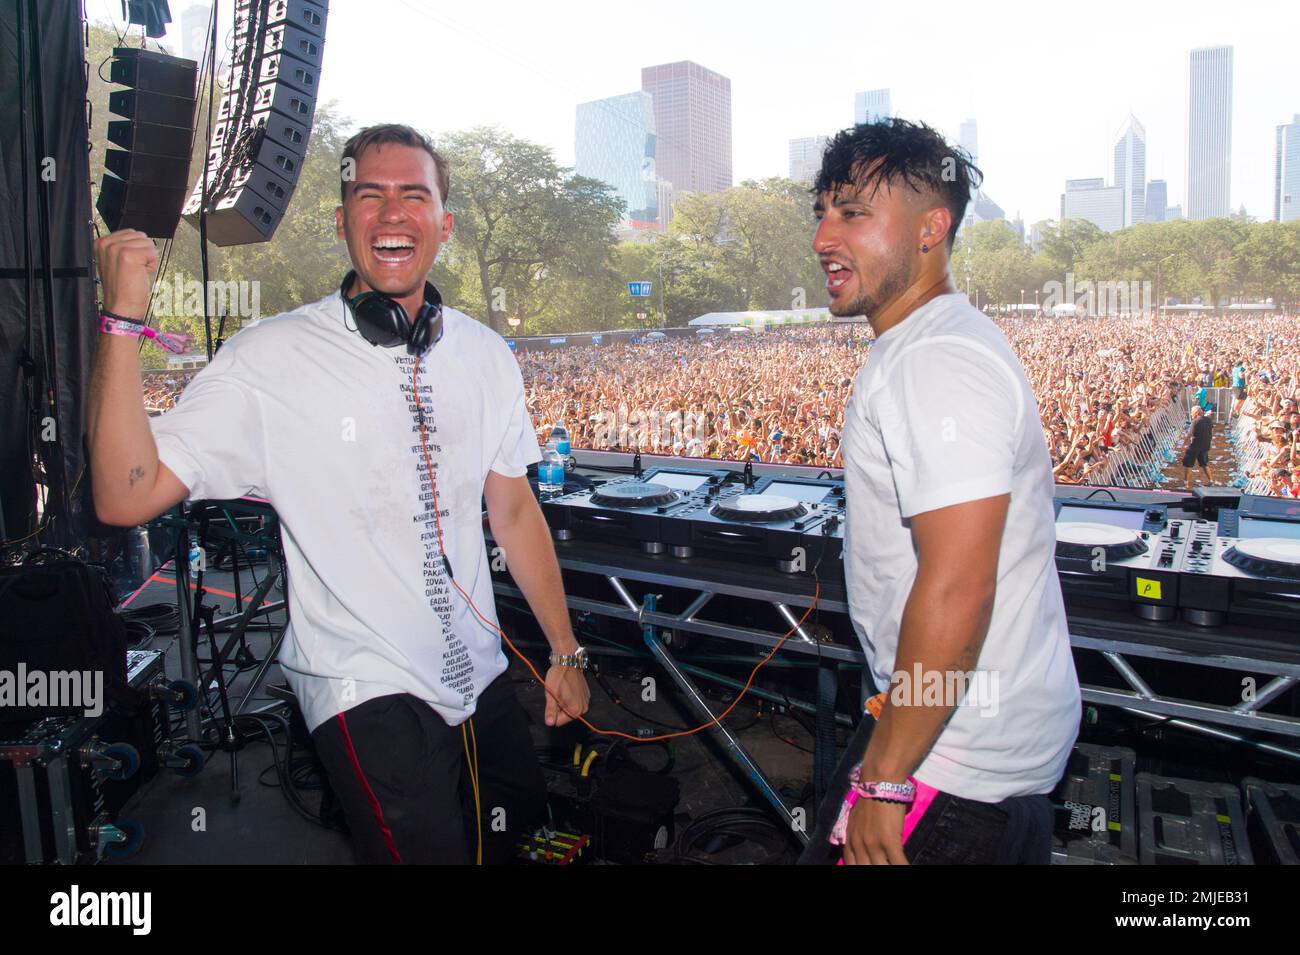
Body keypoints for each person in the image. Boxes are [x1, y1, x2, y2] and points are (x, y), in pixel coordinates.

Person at [87, 123, 590, 864]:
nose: (392, 214)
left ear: (442, 225)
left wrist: (566, 649)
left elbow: (513, 510)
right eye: (370, 195)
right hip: (360, 684)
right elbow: (123, 497)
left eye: (413, 196)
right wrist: (122, 322)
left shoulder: (485, 355)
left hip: (477, 672)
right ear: (341, 220)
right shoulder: (268, 359)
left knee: (511, 843)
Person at [798, 118, 1080, 865]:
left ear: (932, 228)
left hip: (950, 766)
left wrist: (886, 779)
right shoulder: (936, 340)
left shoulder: (935, 360)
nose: (825, 236)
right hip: (957, 737)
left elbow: (957, 585)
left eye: (853, 212)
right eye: (822, 211)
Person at [1181, 405, 1214, 489]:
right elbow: (1210, 431)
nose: (1191, 414)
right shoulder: (1208, 420)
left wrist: (1184, 444)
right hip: (1205, 445)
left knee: (1188, 464)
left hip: (1195, 445)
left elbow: (1190, 434)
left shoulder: (1195, 421)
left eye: (1192, 413)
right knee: (1204, 463)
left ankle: (1186, 483)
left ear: (1196, 413)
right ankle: (1211, 481)